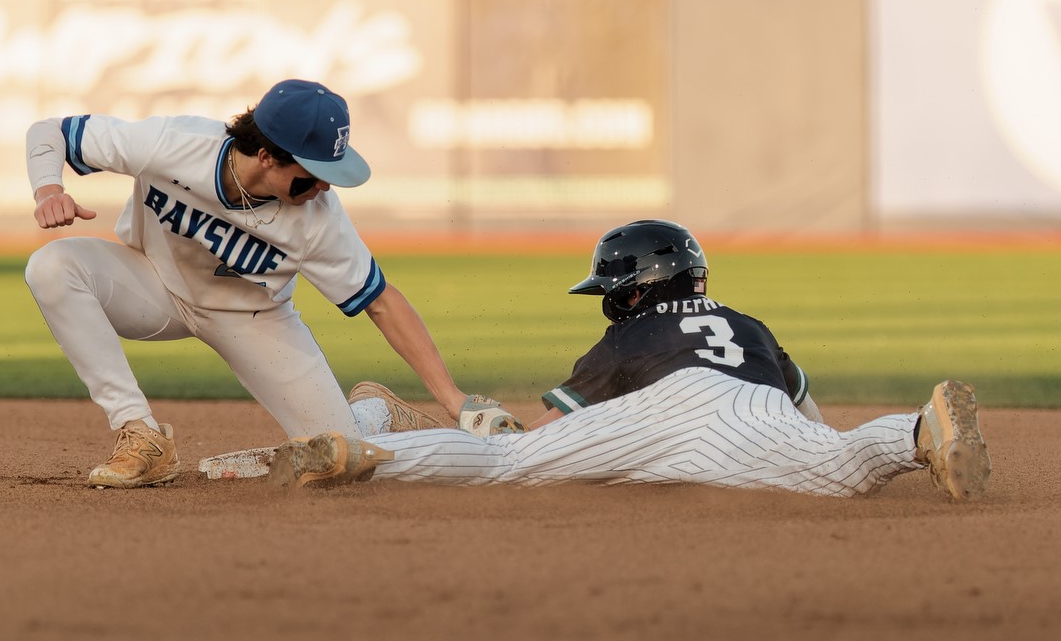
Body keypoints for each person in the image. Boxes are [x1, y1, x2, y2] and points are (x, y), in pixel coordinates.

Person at [265, 219, 992, 503]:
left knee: (507, 464)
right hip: (760, 410)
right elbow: (809, 412)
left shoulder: (626, 337)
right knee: (839, 466)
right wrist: (800, 446)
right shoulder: (748, 324)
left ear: (634, 289)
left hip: (665, 410)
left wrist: (499, 430)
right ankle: (916, 432)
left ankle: (367, 442)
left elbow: (554, 427)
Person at [24, 78, 509, 488]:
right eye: (313, 173)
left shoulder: (319, 219)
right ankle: (141, 434)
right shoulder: (176, 143)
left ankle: (372, 414)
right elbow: (51, 132)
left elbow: (381, 301)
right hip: (153, 284)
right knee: (53, 266)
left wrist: (453, 398)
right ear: (266, 155)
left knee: (341, 459)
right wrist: (49, 188)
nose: (324, 187)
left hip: (255, 318)